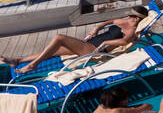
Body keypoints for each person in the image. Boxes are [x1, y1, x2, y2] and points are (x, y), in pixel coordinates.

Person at [4, 6, 149, 73]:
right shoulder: (122, 21)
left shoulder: (130, 31)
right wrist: (96, 29)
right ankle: (19, 61)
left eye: (131, 16)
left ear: (136, 19)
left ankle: (33, 65)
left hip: (94, 51)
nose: (128, 16)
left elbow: (124, 42)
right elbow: (109, 21)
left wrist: (105, 42)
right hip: (89, 44)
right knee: (54, 50)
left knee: (59, 38)